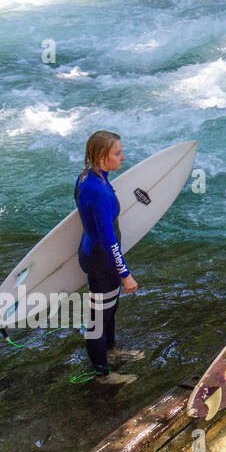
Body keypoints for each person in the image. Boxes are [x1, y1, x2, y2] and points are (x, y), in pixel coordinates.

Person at [74, 130, 139, 385]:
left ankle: (110, 352)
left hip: (96, 253)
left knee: (110, 309)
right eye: (117, 153)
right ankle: (102, 374)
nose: (123, 157)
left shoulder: (90, 176)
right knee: (99, 318)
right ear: (102, 157)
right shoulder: (97, 191)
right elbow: (108, 238)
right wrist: (125, 274)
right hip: (102, 260)